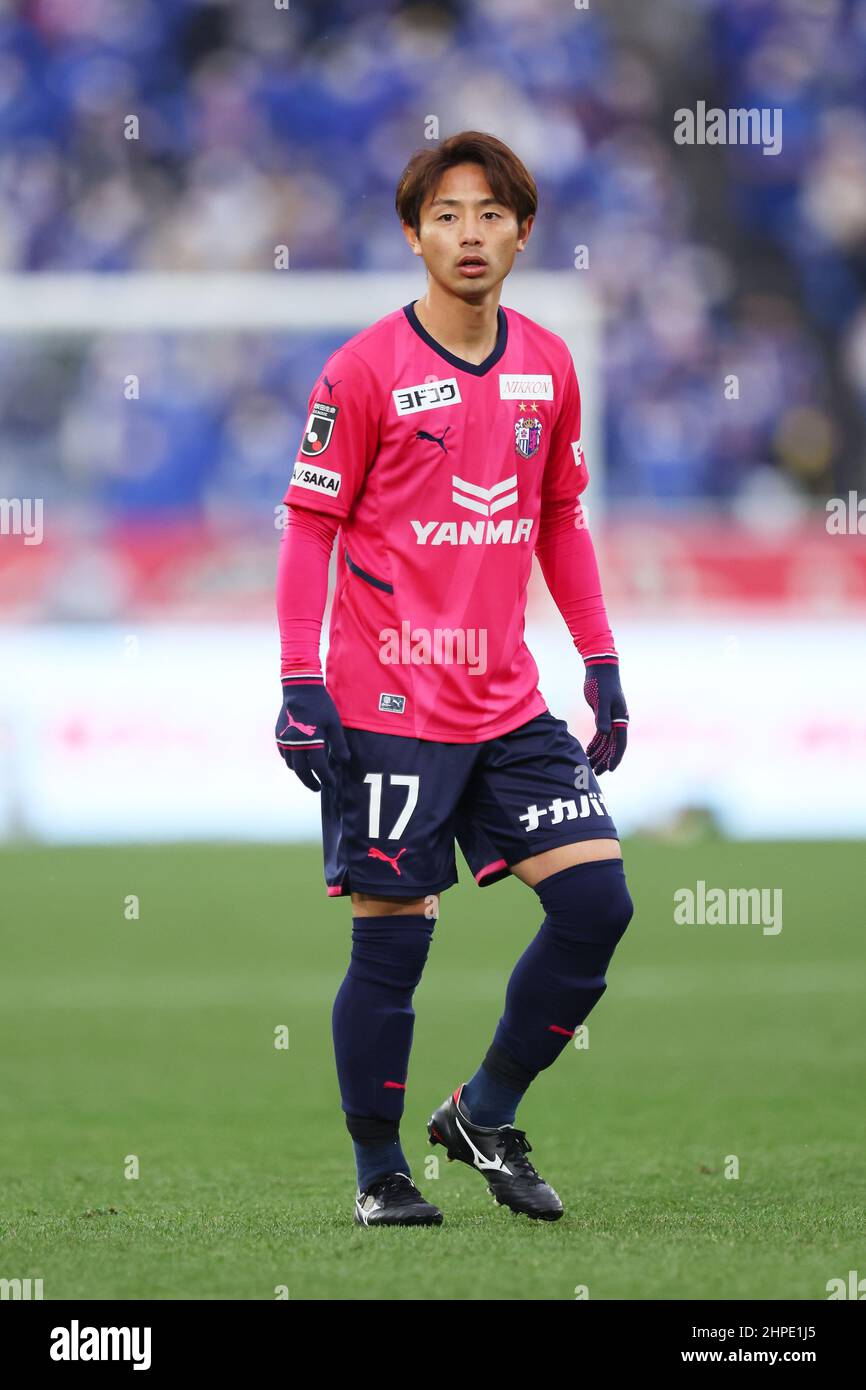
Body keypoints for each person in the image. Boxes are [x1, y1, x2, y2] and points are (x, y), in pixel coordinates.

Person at [275, 131, 633, 1227]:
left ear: (522, 231)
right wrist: (300, 680)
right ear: (412, 233)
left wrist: (602, 663)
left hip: (506, 694)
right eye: (445, 215)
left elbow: (559, 520)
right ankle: (380, 1171)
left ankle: (483, 1109)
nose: (468, 234)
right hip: (386, 703)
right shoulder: (363, 367)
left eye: (489, 215)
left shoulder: (549, 364)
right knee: (393, 940)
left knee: (594, 904)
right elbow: (308, 526)